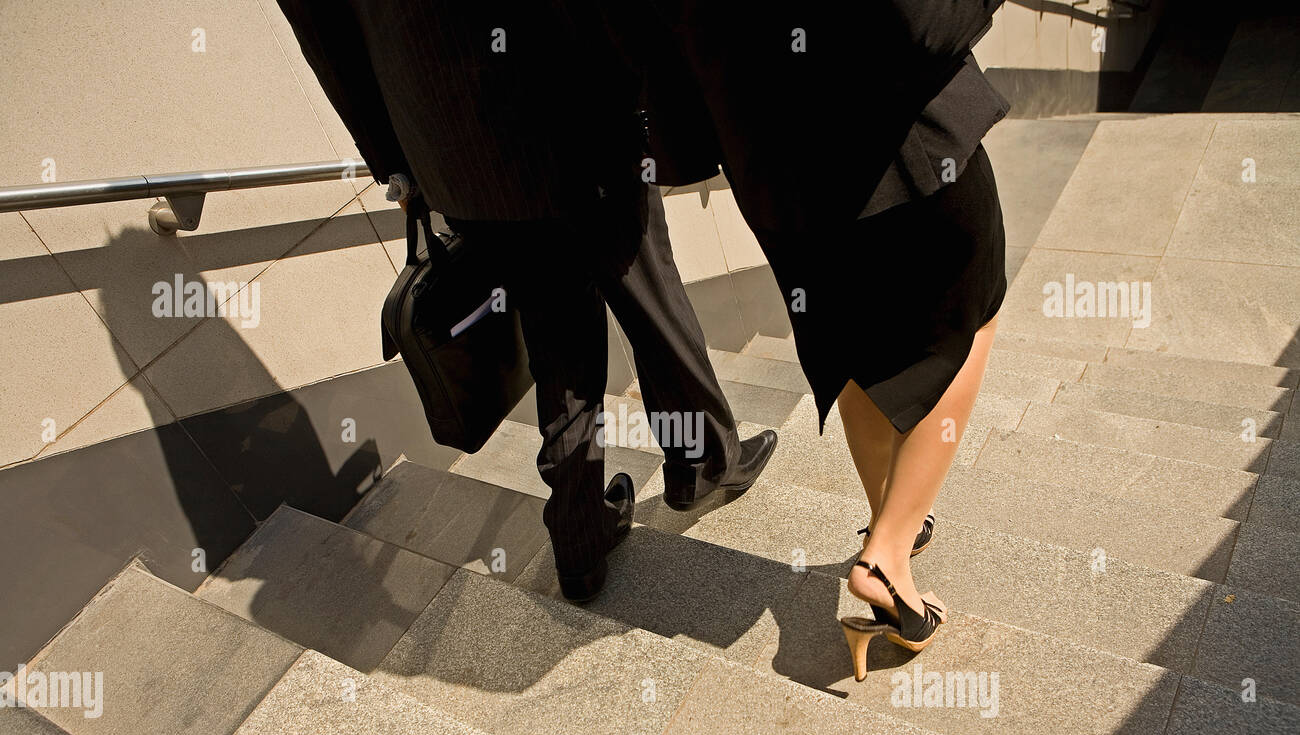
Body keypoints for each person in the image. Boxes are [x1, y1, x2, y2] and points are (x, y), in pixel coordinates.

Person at [276, 0, 777, 602]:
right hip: (578, 109)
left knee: (556, 335)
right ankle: (703, 464)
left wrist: (396, 162)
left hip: (460, 157)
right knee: (652, 301)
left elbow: (327, 39)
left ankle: (579, 538)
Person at [616, 1, 1008, 675]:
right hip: (897, 133)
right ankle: (885, 559)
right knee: (973, 317)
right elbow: (917, 20)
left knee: (850, 345)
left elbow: (654, 38)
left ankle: (891, 518)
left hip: (775, 171)